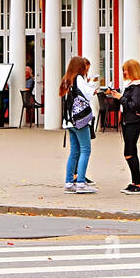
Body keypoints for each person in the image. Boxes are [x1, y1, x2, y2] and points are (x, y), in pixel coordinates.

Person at [108, 58, 140, 194]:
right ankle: (135, 182)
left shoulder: (138, 86)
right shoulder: (131, 85)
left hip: (133, 122)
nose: (124, 72)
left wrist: (120, 97)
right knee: (132, 152)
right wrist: (116, 96)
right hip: (128, 121)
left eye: (126, 69)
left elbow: (133, 105)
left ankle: (138, 184)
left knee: (129, 153)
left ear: (132, 70)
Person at [60, 56, 98, 193]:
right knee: (85, 150)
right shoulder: (78, 79)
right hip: (80, 120)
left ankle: (69, 182)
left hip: (69, 121)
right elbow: (87, 95)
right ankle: (81, 182)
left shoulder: (67, 80)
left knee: (74, 152)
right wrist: (93, 84)